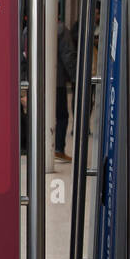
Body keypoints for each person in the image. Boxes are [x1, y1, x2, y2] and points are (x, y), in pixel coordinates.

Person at [55, 17, 76, 163]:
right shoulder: (61, 29)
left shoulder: (26, 30)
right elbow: (68, 55)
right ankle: (58, 149)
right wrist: (75, 77)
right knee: (61, 116)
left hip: (35, 81)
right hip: (57, 81)